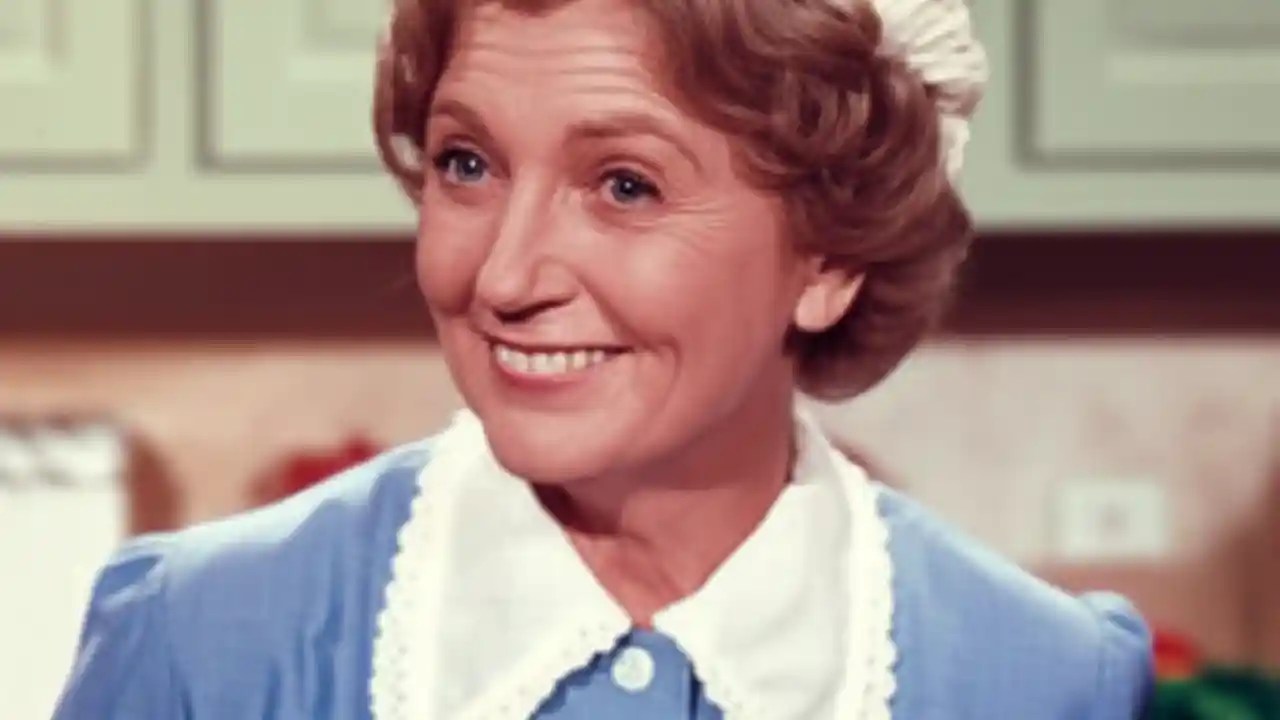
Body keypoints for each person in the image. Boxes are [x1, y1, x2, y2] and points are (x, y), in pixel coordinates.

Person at [54, 0, 1155, 717]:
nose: (504, 276)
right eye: (467, 163)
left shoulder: (1038, 680)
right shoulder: (201, 642)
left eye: (624, 185)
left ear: (829, 253)